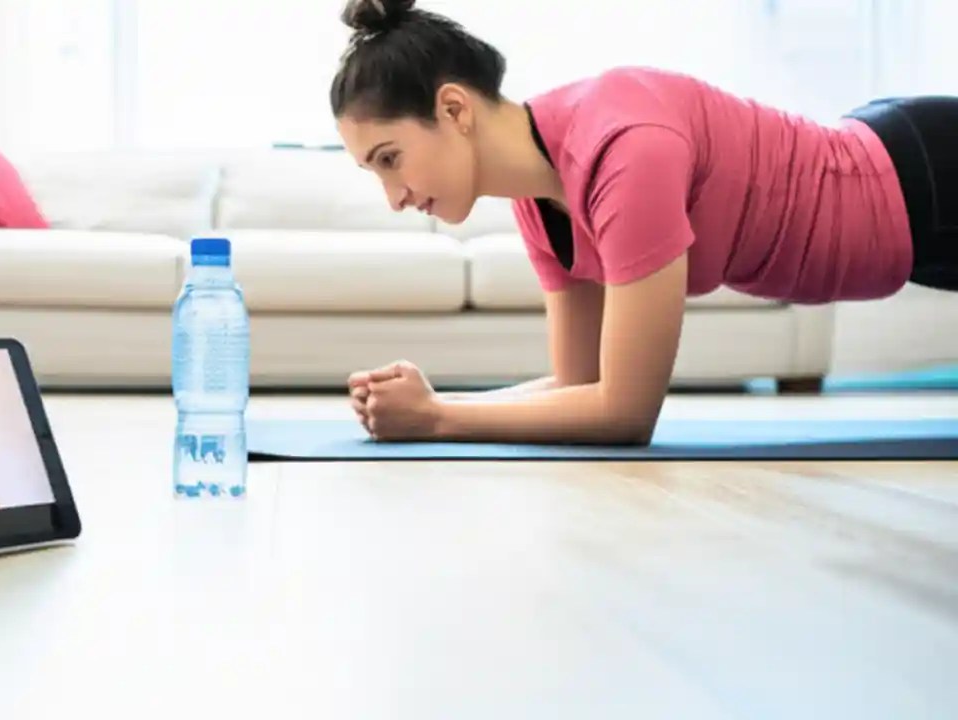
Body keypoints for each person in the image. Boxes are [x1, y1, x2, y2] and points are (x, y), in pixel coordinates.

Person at [331, 0, 957, 446]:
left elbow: (626, 413)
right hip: (906, 204)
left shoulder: (624, 145)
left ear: (454, 108)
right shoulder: (538, 199)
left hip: (925, 175)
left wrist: (440, 419)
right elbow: (583, 387)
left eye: (390, 159)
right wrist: (433, 405)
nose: (394, 196)